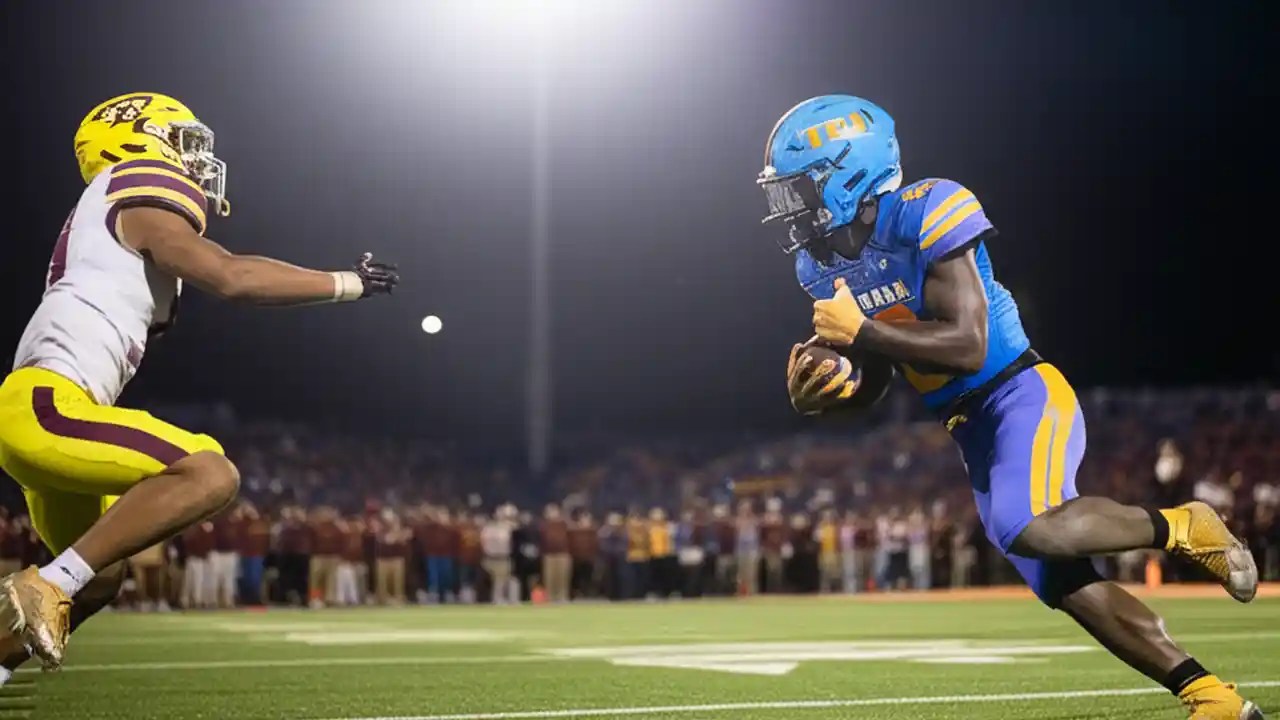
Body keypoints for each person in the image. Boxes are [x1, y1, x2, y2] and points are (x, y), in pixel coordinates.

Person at [766, 94, 1261, 718]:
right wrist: (827, 394)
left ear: (847, 173)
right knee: (1060, 580)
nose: (788, 206)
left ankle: (1184, 525)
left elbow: (968, 345)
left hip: (1018, 392)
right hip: (968, 429)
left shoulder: (927, 208)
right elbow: (881, 374)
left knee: (1031, 525)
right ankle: (1210, 695)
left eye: (799, 188)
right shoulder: (818, 264)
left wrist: (861, 332)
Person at [0, 92, 399, 674]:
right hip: (47, 406)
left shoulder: (103, 213)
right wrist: (346, 283)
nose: (195, 159)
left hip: (48, 412)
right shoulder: (137, 179)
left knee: (101, 576)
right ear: (137, 138)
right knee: (209, 473)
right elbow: (231, 276)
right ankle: (47, 585)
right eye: (182, 140)